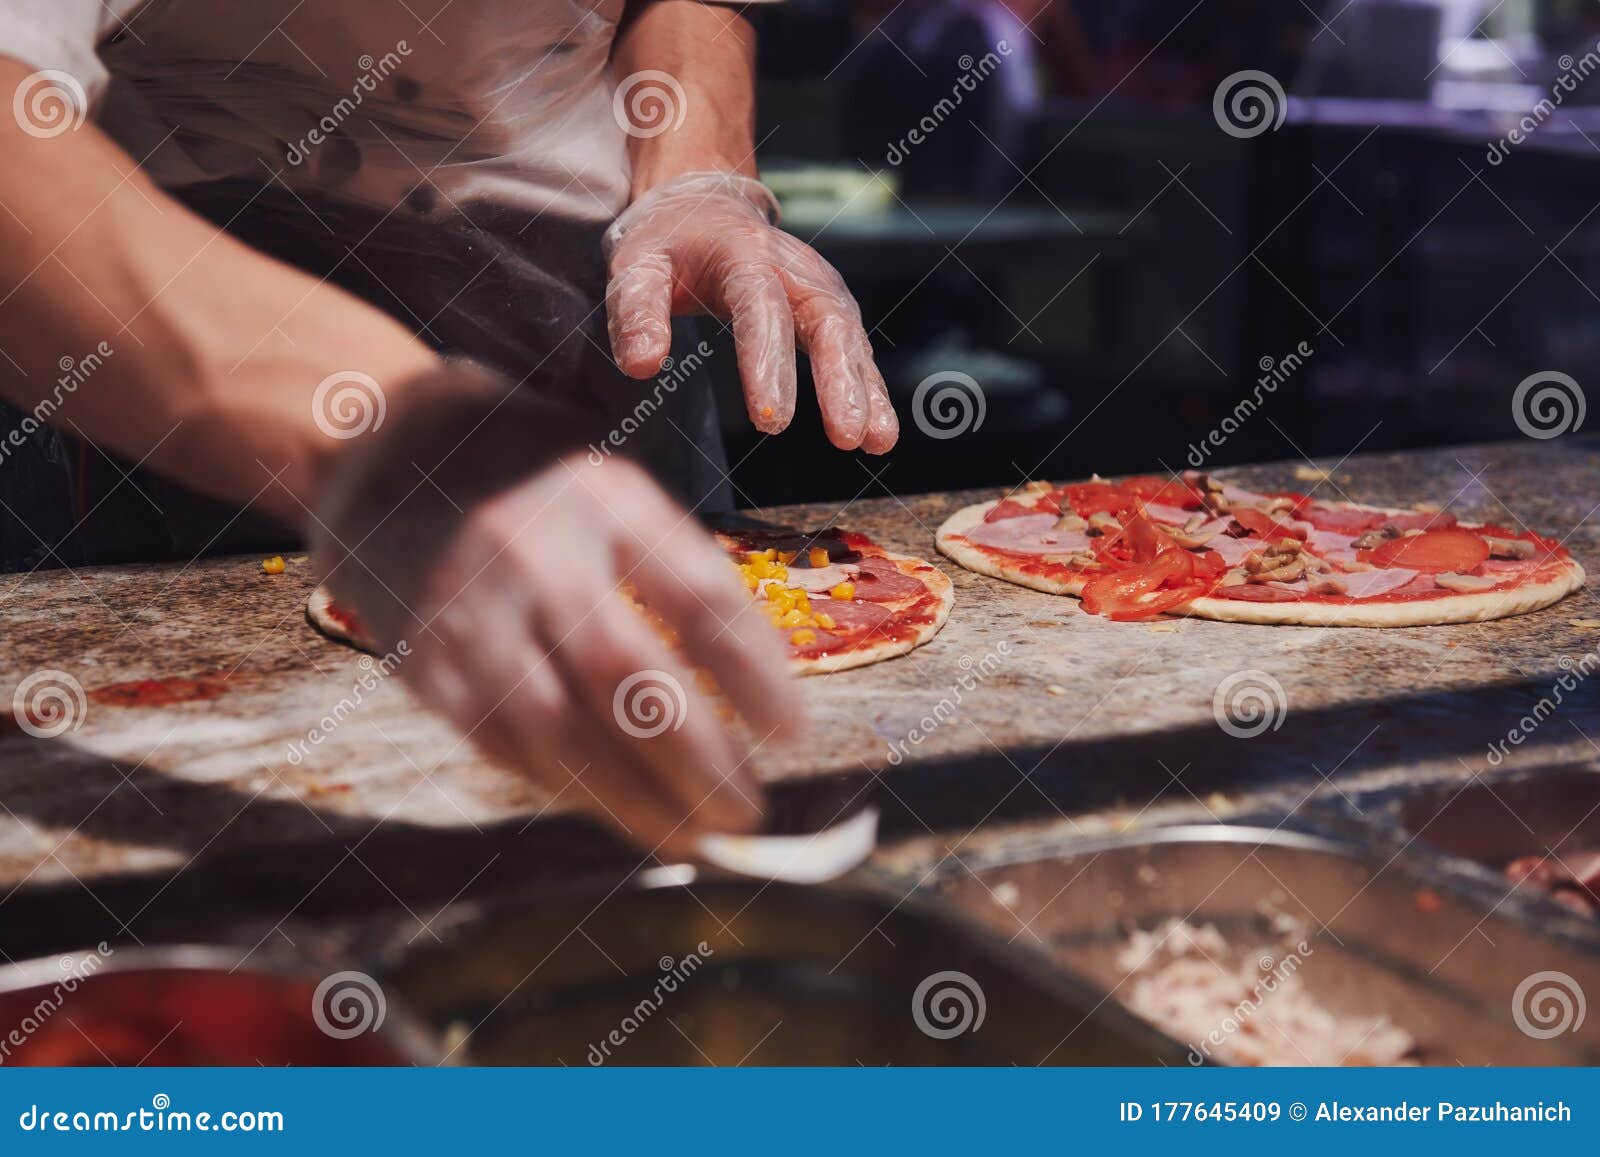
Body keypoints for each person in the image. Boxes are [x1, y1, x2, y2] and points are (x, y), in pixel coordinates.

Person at [0, 1, 897, 855]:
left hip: (604, 304)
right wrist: (388, 432)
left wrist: (697, 169)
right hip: (164, 301)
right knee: (257, 880)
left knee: (675, 863)